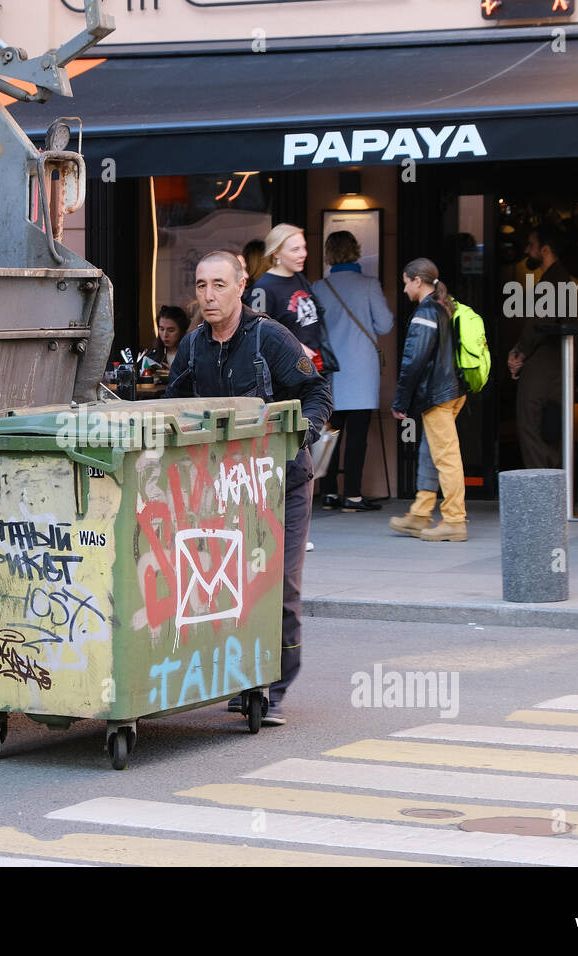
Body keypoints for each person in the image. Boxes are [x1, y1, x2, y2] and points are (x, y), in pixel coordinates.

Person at [166, 250, 332, 725]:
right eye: (200, 285)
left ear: (241, 286)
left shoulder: (269, 336)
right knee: (229, 587)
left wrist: (300, 433)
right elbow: (172, 406)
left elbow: (317, 391)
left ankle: (274, 688)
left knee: (279, 585)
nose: (208, 295)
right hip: (223, 488)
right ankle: (240, 678)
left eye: (219, 284)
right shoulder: (195, 345)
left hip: (283, 484)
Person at [388, 257, 468, 542]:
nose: (405, 289)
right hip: (450, 390)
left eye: (406, 283)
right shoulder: (443, 306)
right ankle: (420, 514)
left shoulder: (425, 312)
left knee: (446, 457)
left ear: (416, 281)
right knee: (430, 452)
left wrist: (400, 401)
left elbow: (414, 360)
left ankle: (455, 520)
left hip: (437, 394)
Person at [313, 230, 393, 512]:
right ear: (356, 250)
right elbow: (384, 325)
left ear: (328, 254)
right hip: (361, 368)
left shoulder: (319, 288)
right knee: (357, 435)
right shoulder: (369, 285)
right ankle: (354, 495)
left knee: (330, 431)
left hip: (330, 370)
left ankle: (330, 492)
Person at [508, 225, 566, 469]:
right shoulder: (560, 278)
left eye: (531, 245)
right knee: (552, 428)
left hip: (542, 366)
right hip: (555, 366)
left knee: (529, 426)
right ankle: (555, 481)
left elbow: (540, 323)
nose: (526, 251)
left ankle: (543, 484)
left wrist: (518, 353)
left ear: (545, 250)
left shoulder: (553, 280)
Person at [249, 224, 331, 374]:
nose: (303, 254)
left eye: (304, 247)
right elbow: (257, 333)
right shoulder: (263, 287)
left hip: (313, 368)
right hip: (287, 373)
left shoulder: (299, 277)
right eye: (295, 249)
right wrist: (296, 347)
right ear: (276, 253)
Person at [143, 305, 186, 372]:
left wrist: (174, 374)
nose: (165, 335)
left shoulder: (191, 356)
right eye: (162, 329)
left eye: (171, 330)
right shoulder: (152, 356)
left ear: (181, 331)